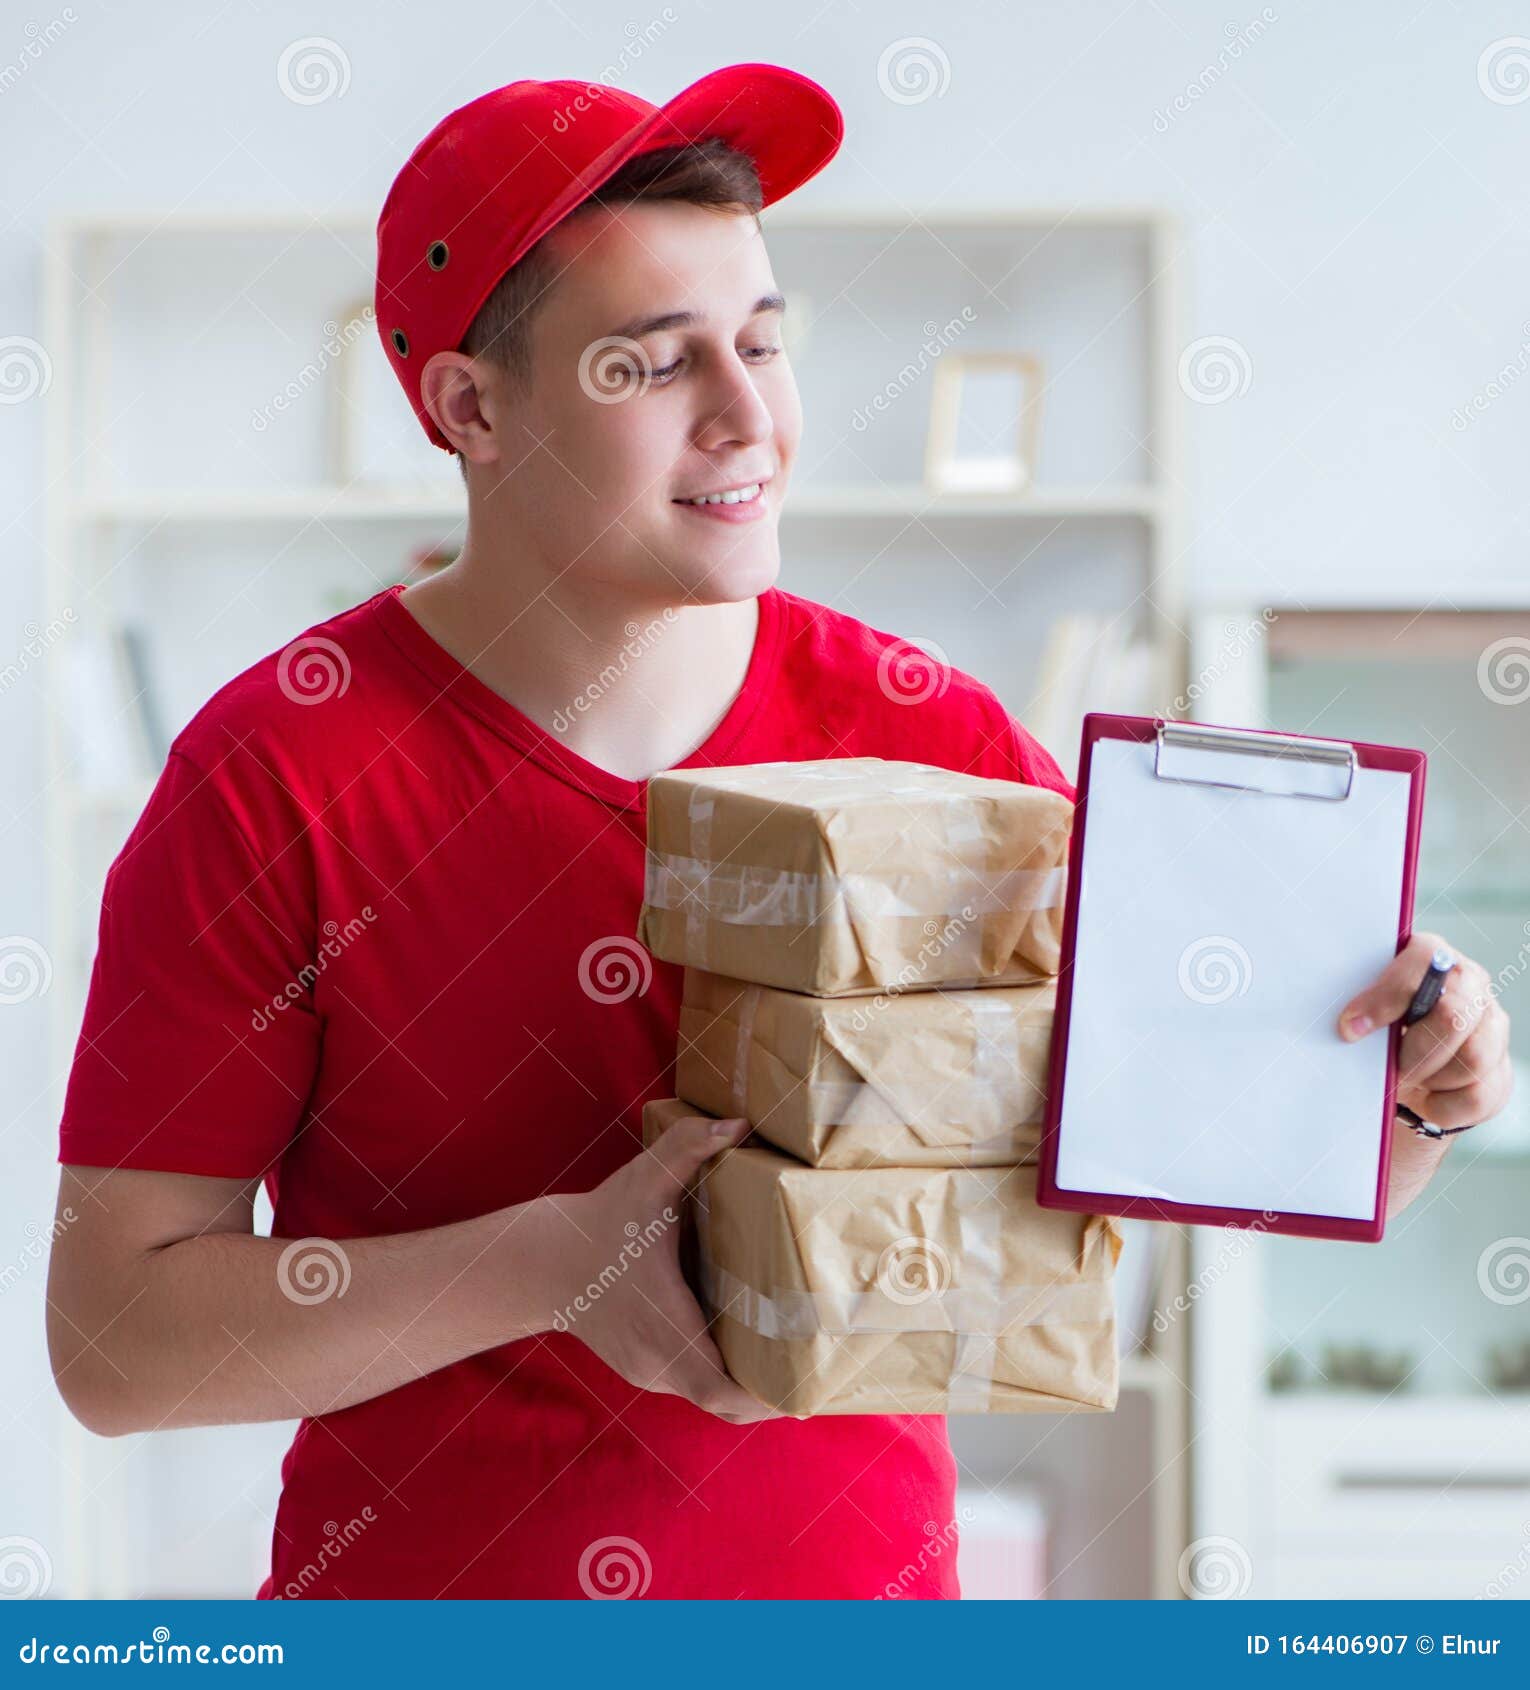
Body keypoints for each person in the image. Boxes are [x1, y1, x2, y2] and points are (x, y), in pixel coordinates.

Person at [45, 64, 1510, 1602]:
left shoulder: (928, 730)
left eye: (762, 343)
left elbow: (1198, 1158)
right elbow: (114, 1342)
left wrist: (1406, 1103)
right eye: (652, 364)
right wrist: (550, 1264)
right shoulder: (278, 768)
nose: (748, 419)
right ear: (469, 407)